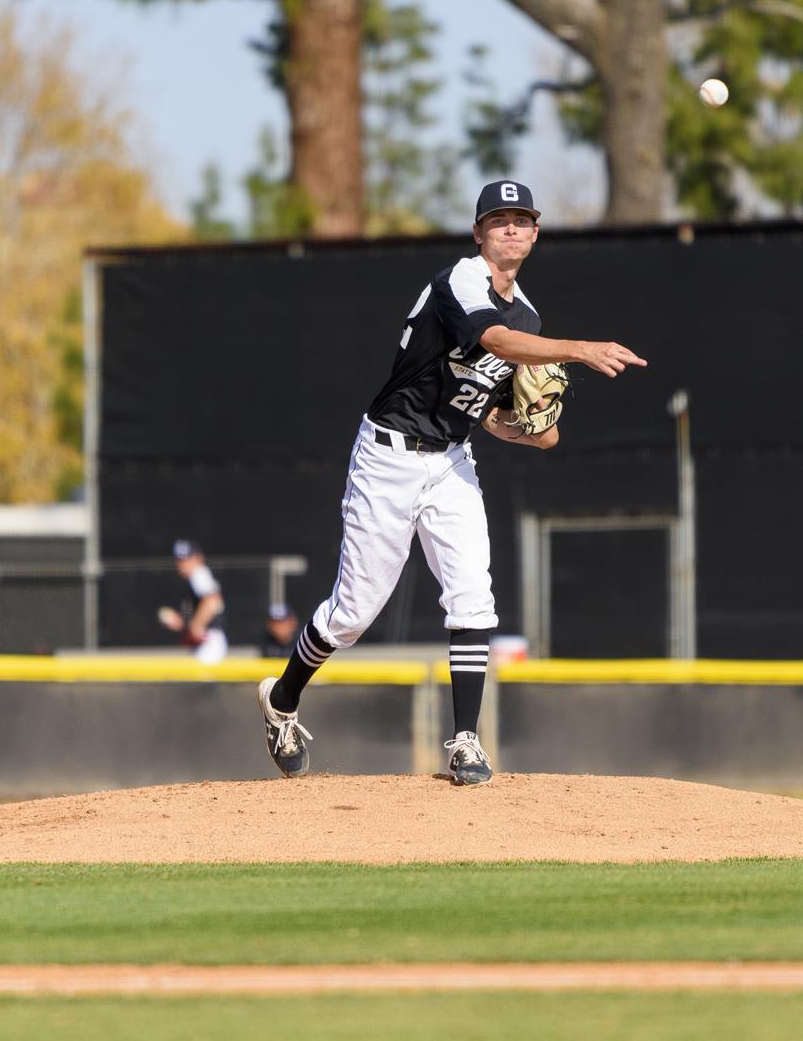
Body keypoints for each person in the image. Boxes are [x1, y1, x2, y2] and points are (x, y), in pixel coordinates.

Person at [256, 179, 647, 784]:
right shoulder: (460, 280)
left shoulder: (530, 316)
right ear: (479, 232)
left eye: (522, 220)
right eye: (499, 220)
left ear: (536, 233)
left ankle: (466, 740)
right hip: (388, 457)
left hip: (451, 461)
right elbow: (491, 340)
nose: (511, 229)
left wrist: (528, 431)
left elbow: (486, 409)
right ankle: (282, 701)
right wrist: (577, 350)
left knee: (473, 596)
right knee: (352, 615)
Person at [161, 539, 228, 665]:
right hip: (207, 641)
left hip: (210, 640)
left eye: (187, 559)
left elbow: (212, 601)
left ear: (198, 558)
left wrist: (195, 626)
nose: (183, 564)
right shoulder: (196, 577)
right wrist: (183, 622)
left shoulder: (199, 573)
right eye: (180, 560)